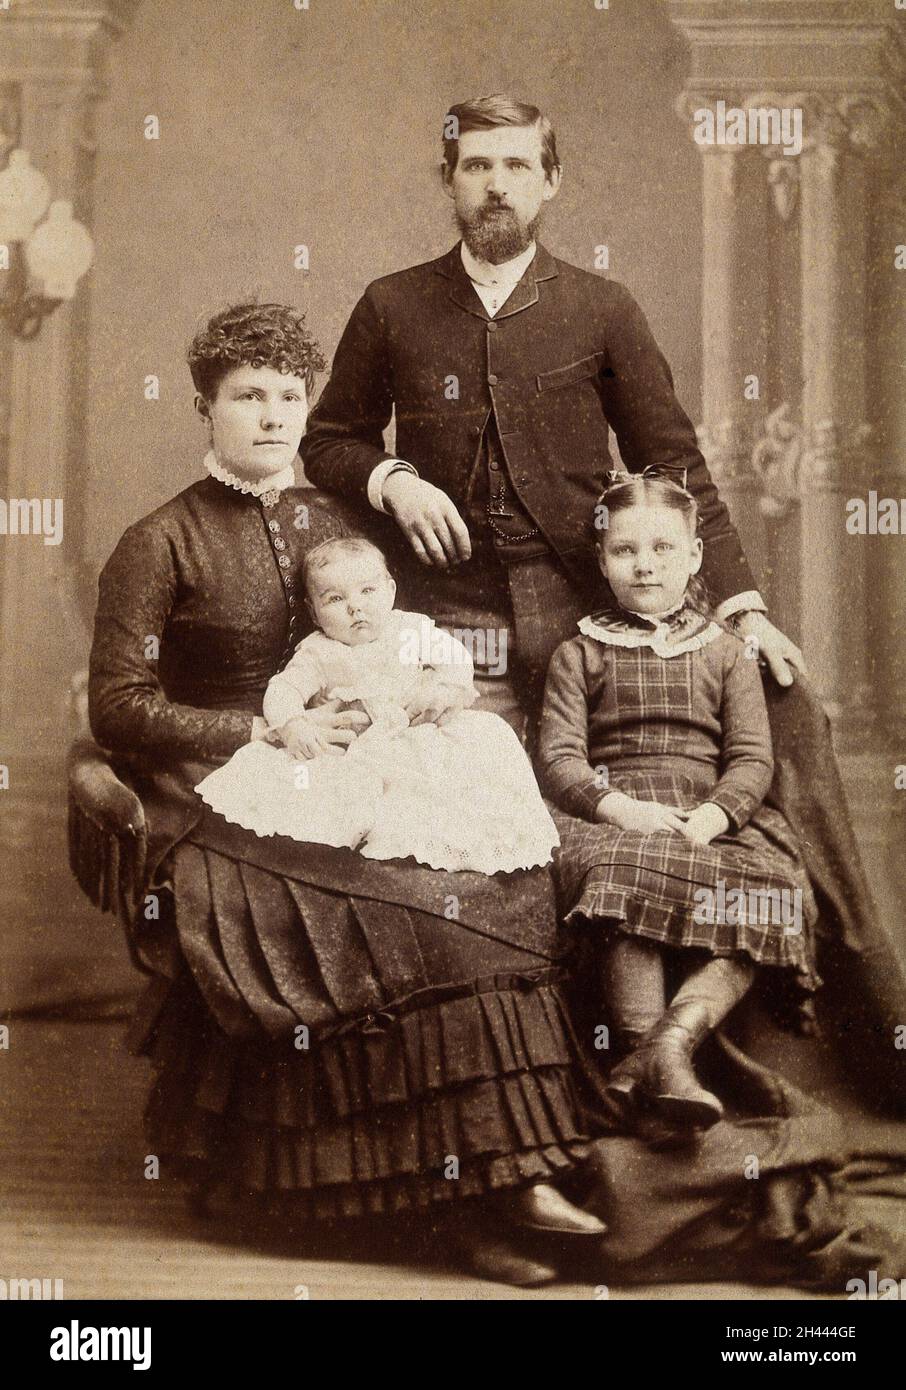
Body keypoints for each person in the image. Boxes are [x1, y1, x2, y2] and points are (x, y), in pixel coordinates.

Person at [87, 300, 608, 1290]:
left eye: (290, 396)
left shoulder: (342, 525)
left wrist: (433, 698)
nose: (273, 417)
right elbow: (117, 706)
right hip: (220, 799)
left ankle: (505, 1176)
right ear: (205, 408)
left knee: (486, 891)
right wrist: (263, 729)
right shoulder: (160, 540)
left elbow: (413, 641)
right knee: (414, 916)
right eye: (248, 397)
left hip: (364, 779)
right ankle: (455, 1210)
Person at [300, 93, 804, 735]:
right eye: (477, 166)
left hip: (590, 611)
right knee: (463, 781)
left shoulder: (603, 309)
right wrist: (396, 483)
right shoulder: (392, 304)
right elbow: (329, 441)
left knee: (741, 720)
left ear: (550, 181)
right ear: (448, 179)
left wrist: (743, 609)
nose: (497, 186)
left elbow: (672, 464)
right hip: (449, 621)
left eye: (517, 166)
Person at [538, 471, 818, 1139]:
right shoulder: (579, 653)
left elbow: (752, 758)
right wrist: (618, 809)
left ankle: (664, 1051)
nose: (643, 566)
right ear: (602, 560)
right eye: (624, 551)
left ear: (694, 557)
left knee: (772, 889)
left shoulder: (724, 653)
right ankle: (655, 1052)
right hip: (613, 814)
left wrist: (717, 816)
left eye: (663, 550)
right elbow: (559, 758)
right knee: (624, 874)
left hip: (705, 812)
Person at [195, 536, 558, 874]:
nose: (355, 607)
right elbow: (283, 689)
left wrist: (444, 687)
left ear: (390, 591)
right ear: (314, 610)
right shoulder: (320, 651)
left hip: (419, 731)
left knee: (484, 741)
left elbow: (455, 657)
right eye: (335, 599)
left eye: (367, 590)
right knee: (333, 786)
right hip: (359, 747)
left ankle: (461, 836)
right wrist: (293, 725)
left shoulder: (408, 630)